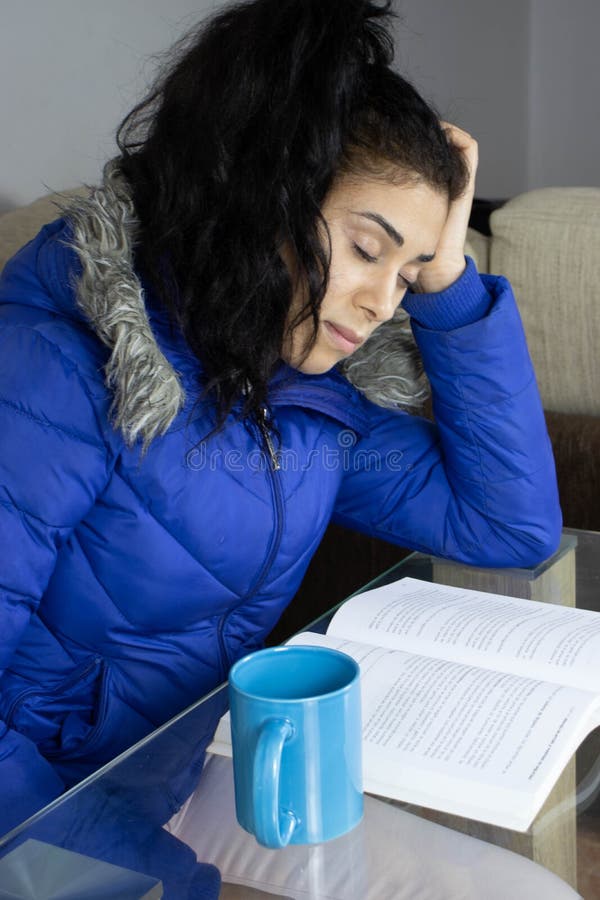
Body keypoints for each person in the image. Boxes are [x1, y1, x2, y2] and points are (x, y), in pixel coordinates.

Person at [0, 0, 565, 895]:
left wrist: (449, 282)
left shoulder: (302, 389)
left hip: (186, 769)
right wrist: (169, 882)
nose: (386, 302)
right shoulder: (53, 364)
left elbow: (511, 524)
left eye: (407, 272)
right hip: (47, 817)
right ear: (255, 188)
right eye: (367, 249)